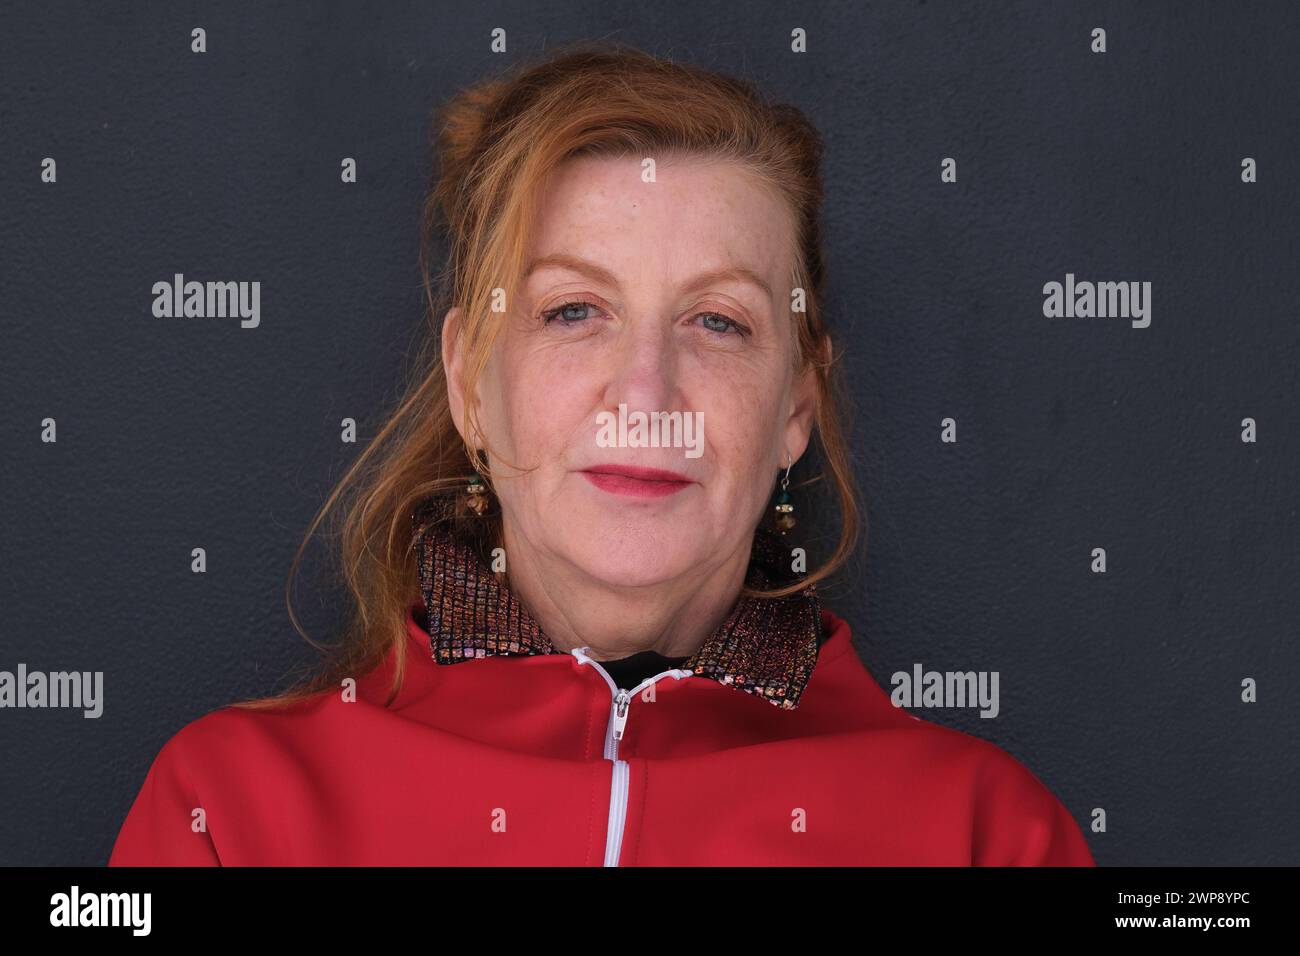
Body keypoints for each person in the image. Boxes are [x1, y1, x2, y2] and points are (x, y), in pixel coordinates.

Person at [109, 42, 1094, 866]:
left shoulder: (983, 834)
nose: (645, 394)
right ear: (470, 384)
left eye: (717, 321)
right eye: (572, 310)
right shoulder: (227, 813)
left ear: (797, 402)